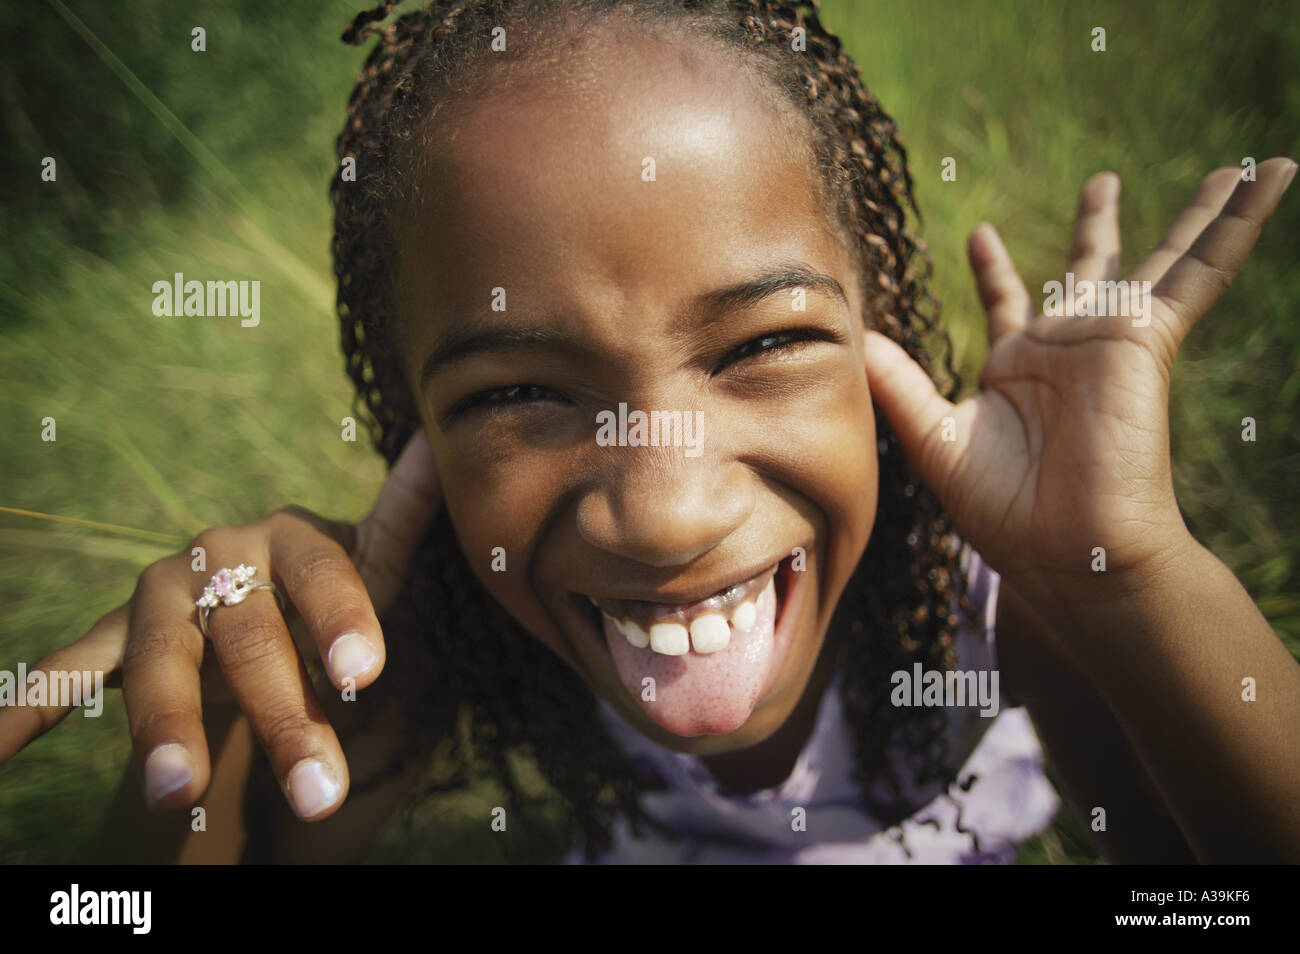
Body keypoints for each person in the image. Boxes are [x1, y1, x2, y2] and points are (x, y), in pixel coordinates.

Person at [3, 0, 1297, 864]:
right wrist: (218, 763)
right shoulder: (421, 652)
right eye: (517, 393)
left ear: (881, 333)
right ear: (418, 436)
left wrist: (1126, 576)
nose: (667, 516)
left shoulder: (994, 604)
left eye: (763, 345)